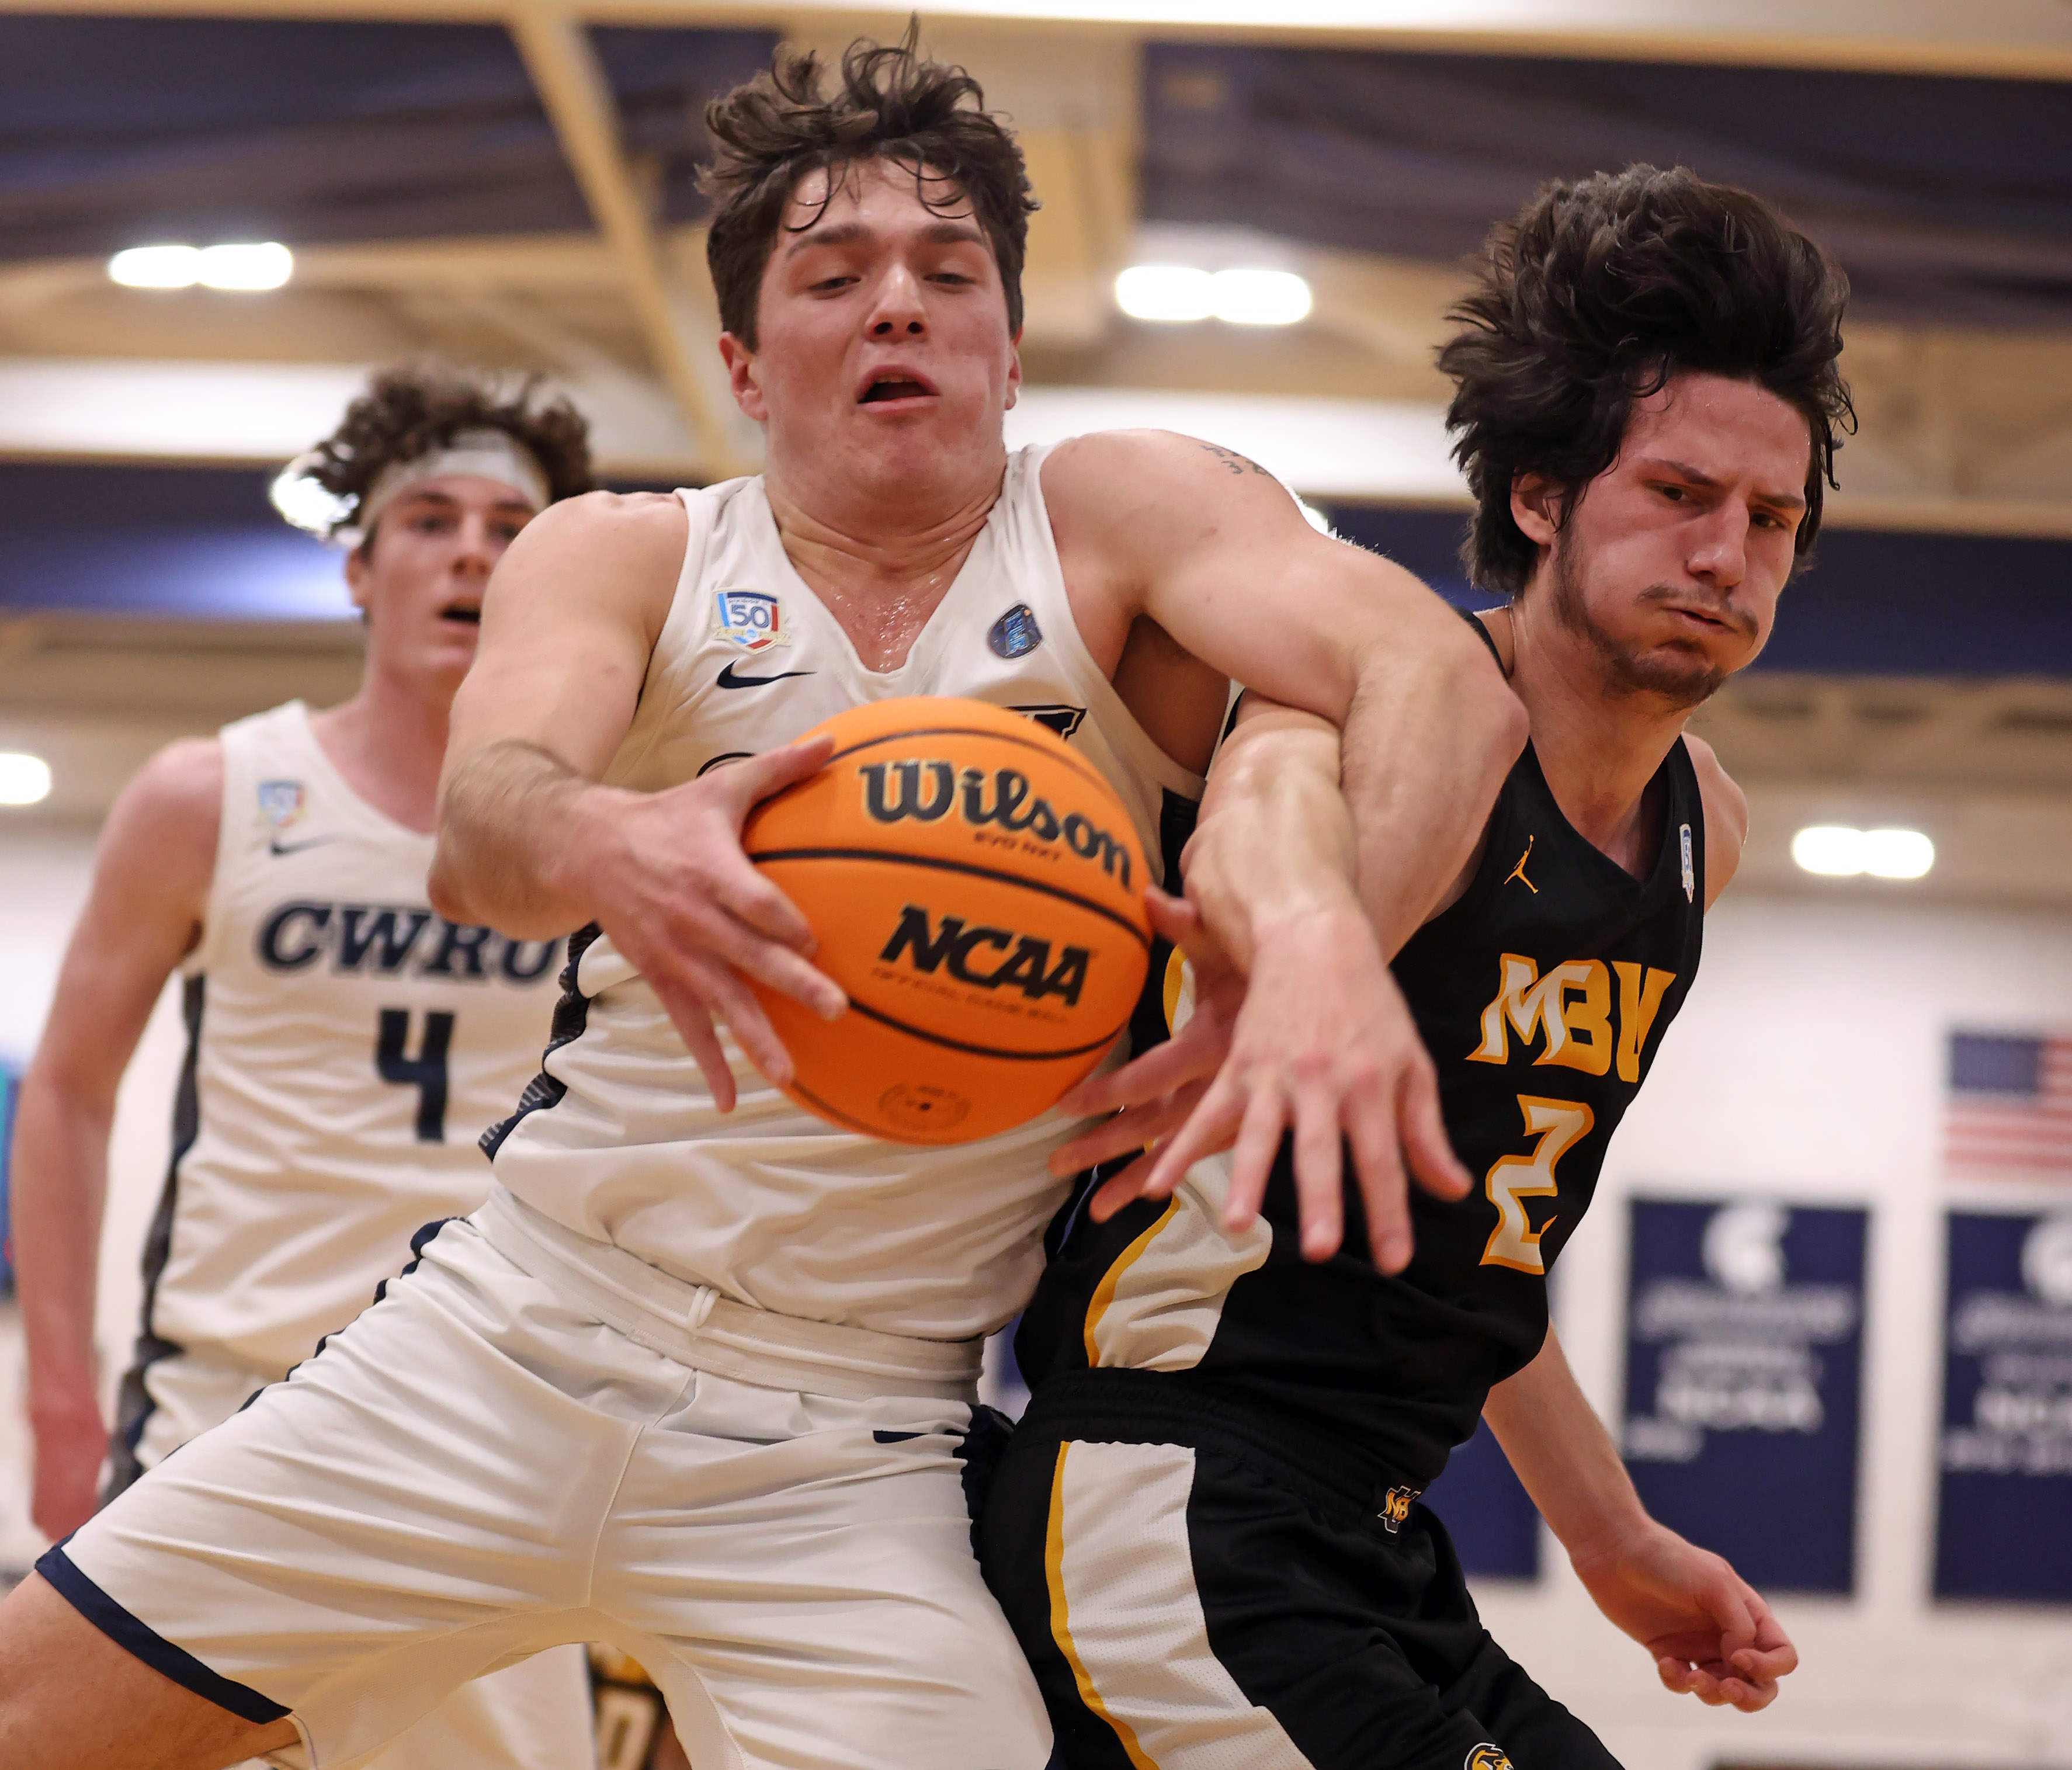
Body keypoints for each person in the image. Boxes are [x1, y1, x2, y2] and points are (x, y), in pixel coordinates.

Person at [0, 38, 1526, 1770]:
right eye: (835, 275)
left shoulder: (1118, 518)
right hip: (511, 1333)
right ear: (741, 358)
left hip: (855, 1436)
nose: (901, 308)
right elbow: (484, 832)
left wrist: (1324, 947)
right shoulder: (627, 552)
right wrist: (606, 841)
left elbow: (1441, 684)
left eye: (951, 276)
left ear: (1011, 346)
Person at [983, 164, 1856, 1769]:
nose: (1726, 550)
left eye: (1770, 517)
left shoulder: (1697, 831)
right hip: (1166, 1483)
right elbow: (1261, 827)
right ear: (1539, 495)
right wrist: (1296, 930)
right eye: (1675, 493)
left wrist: (1611, 1536)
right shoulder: (1375, 708)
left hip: (1372, 1532)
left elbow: (1475, 1248)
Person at [5, 365, 602, 1770]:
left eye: (513, 529)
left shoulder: (608, 833)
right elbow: (74, 1093)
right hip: (230, 1392)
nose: (470, 551)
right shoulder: (209, 794)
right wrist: (59, 1394)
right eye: (429, 520)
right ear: (357, 567)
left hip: (498, 1409)